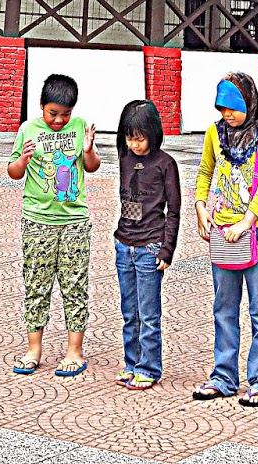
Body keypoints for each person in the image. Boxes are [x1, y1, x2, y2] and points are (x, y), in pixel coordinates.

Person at [192, 74, 258, 407]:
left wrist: (247, 221)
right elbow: (205, 171)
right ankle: (223, 376)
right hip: (222, 232)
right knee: (223, 310)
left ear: (248, 103)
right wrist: (201, 207)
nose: (227, 114)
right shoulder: (215, 133)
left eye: (233, 108)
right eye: (222, 108)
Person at [7, 73, 100, 377]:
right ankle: (34, 349)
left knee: (74, 285)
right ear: (41, 106)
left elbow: (92, 167)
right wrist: (23, 160)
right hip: (37, 221)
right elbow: (13, 171)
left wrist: (88, 150)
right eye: (53, 114)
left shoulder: (80, 127)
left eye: (65, 114)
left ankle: (75, 351)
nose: (59, 120)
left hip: (74, 220)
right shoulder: (28, 129)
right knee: (37, 284)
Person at [113, 99, 181, 391]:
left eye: (140, 138)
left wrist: (167, 250)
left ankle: (149, 367)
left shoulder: (166, 164)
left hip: (150, 247)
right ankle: (132, 363)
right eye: (129, 138)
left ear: (153, 133)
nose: (134, 144)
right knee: (130, 311)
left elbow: (174, 211)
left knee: (148, 313)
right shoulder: (125, 157)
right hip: (124, 244)